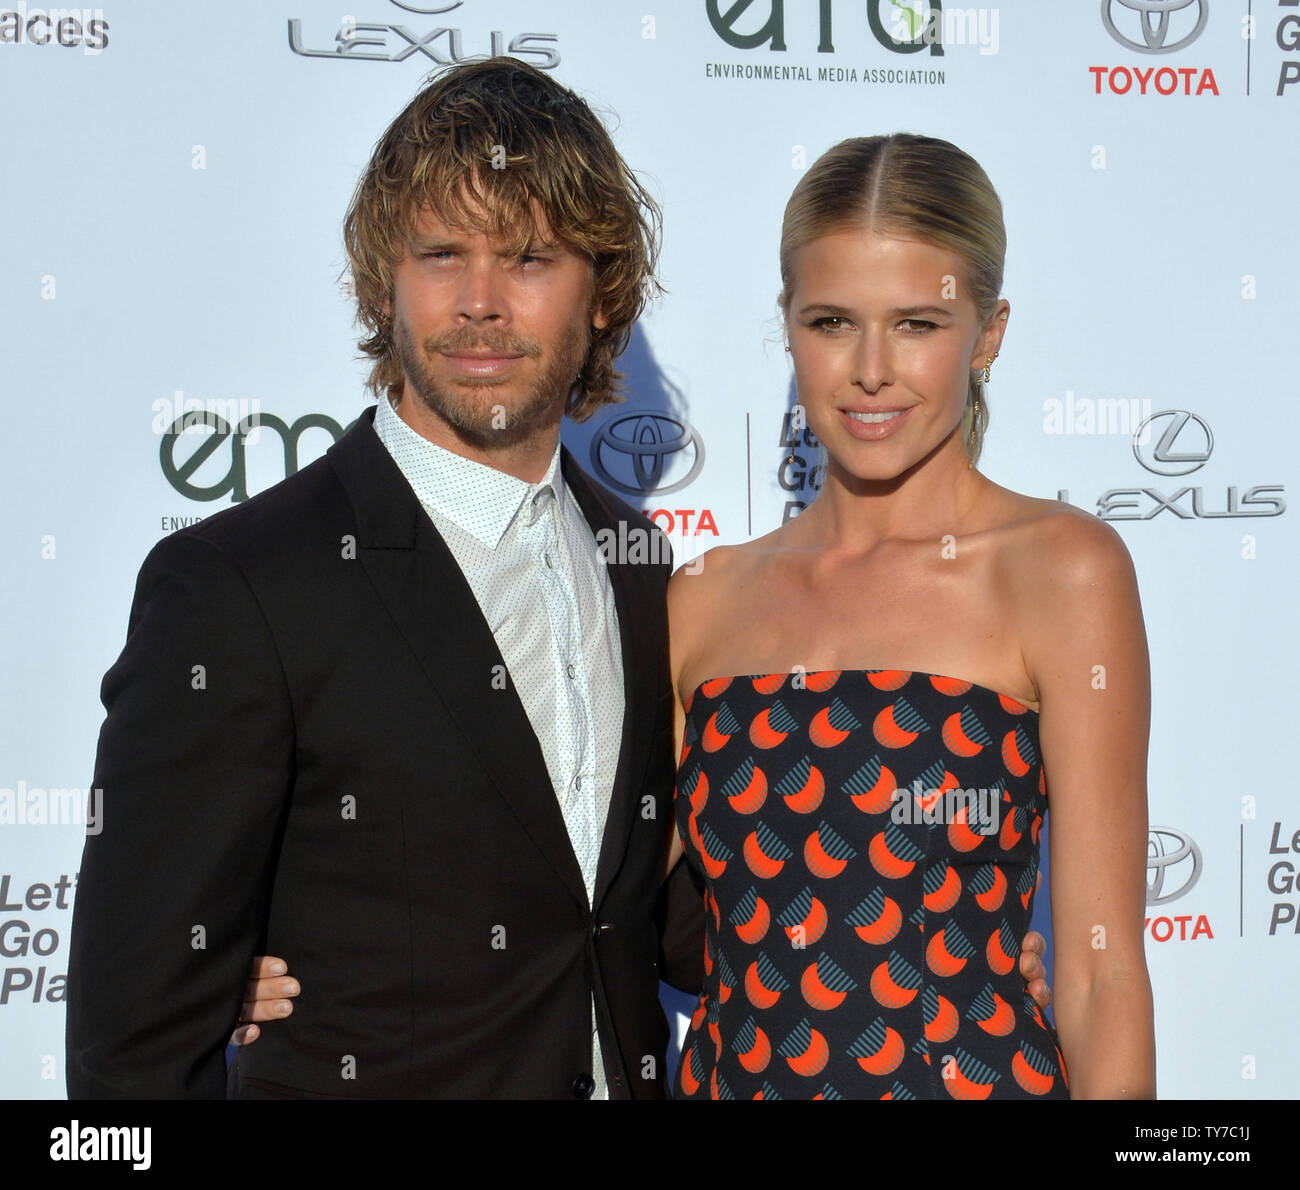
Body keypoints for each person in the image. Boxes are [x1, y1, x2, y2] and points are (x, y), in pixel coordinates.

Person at [68, 57, 1057, 1100]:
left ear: (601, 294)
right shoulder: (240, 585)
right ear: (382, 281)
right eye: (441, 253)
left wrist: (955, 943)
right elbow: (131, 1046)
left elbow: (676, 925)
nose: (481, 302)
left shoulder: (641, 573)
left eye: (531, 258)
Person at [662, 134, 1155, 1099]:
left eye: (920, 324)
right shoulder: (703, 599)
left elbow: (1101, 976)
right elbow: (578, 899)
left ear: (991, 333)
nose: (872, 370)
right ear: (789, 325)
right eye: (834, 320)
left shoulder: (1063, 572)